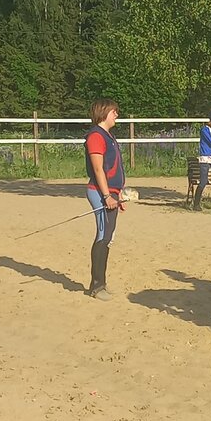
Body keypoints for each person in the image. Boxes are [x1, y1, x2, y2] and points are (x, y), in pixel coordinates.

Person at [84, 98, 126, 301]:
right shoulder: (96, 136)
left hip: (111, 192)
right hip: (101, 192)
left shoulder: (108, 136)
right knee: (103, 235)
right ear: (104, 113)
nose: (116, 114)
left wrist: (118, 193)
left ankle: (101, 282)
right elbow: (99, 168)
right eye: (113, 112)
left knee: (108, 237)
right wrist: (107, 195)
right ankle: (96, 285)